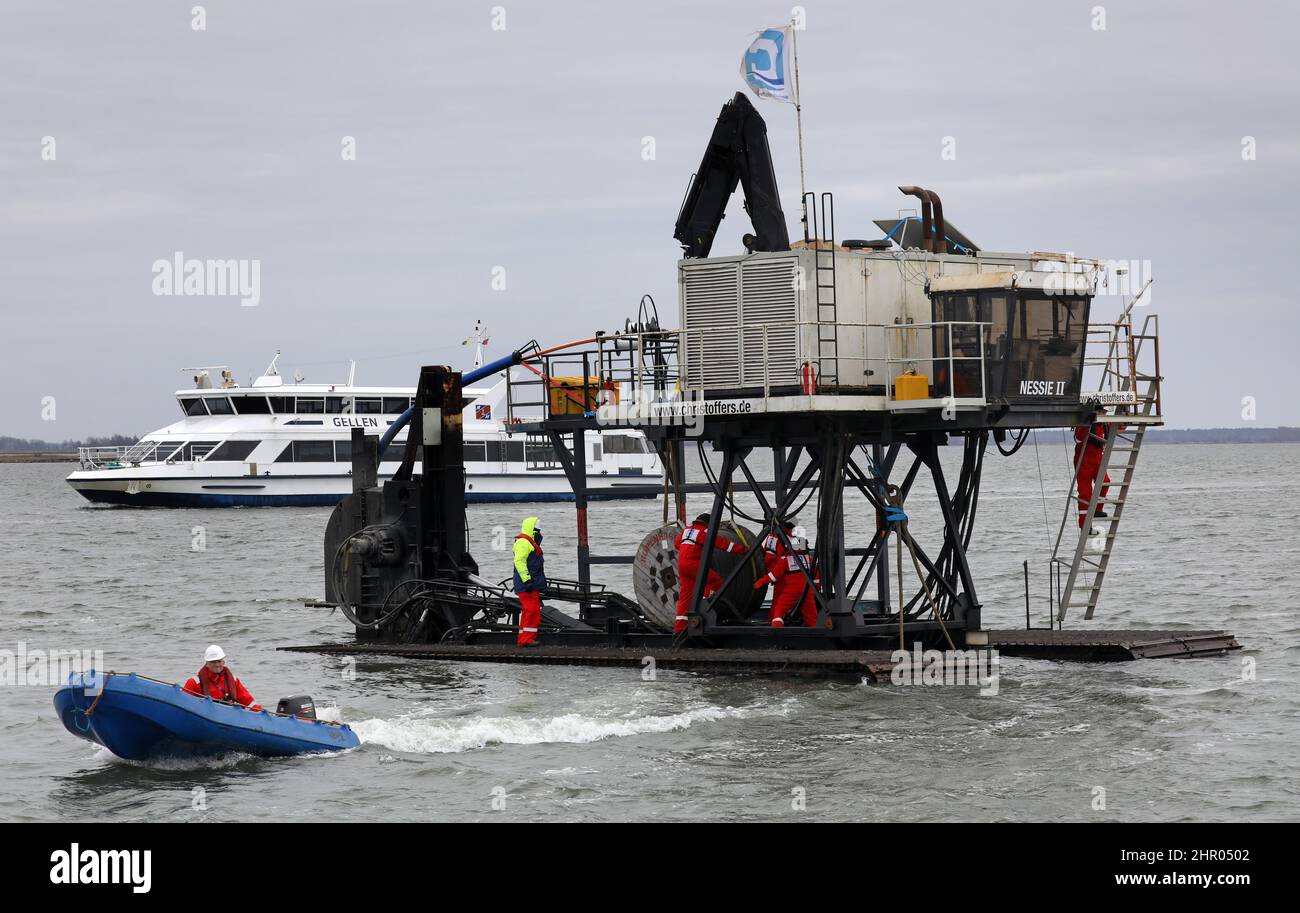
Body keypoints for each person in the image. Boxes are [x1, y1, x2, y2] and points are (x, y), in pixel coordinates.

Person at [673, 513, 748, 634]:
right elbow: (723, 544)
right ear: (708, 524)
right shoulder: (703, 533)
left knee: (685, 596)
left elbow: (677, 544)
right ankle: (702, 606)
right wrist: (743, 550)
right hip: (694, 565)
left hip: (682, 566)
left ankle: (679, 628)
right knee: (714, 581)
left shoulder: (686, 531)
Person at [755, 528, 819, 628]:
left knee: (779, 608)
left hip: (787, 586)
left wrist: (760, 582)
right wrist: (817, 588)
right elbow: (816, 576)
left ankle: (775, 626)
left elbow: (772, 572)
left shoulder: (785, 559)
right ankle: (815, 631)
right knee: (810, 613)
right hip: (807, 590)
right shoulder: (809, 559)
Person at [183, 645, 261, 710]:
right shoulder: (194, 682)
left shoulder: (233, 680)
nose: (217, 665)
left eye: (219, 661)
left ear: (223, 662)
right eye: (213, 661)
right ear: (206, 663)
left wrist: (263, 713)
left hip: (229, 719)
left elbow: (249, 702)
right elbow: (183, 703)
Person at [1073, 412, 1111, 529]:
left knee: (1105, 482)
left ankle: (1098, 509)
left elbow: (1117, 427)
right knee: (1085, 494)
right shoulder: (1086, 422)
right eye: (1102, 412)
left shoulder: (1105, 423)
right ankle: (1085, 526)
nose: (1104, 414)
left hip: (1098, 457)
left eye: (1104, 412)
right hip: (1084, 459)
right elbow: (1078, 437)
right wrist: (1087, 423)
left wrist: (1125, 420)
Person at [513, 516, 546, 647]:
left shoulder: (528, 542)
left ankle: (524, 638)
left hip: (530, 584)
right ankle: (526, 640)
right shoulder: (524, 543)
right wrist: (527, 580)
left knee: (530, 611)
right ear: (532, 530)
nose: (539, 533)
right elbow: (519, 562)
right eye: (537, 531)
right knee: (531, 610)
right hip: (526, 584)